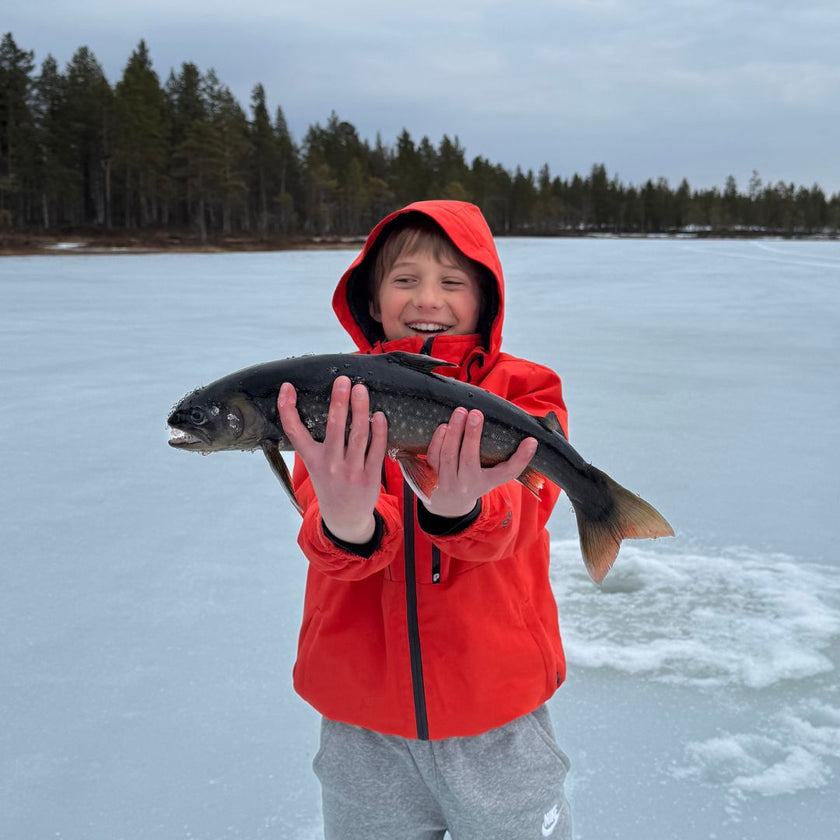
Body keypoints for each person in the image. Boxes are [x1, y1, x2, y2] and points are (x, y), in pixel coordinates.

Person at [277, 200, 572, 840]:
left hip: (497, 715)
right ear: (372, 298)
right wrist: (347, 518)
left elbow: (525, 516)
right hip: (362, 726)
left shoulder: (525, 390)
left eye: (452, 281)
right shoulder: (330, 392)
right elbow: (322, 533)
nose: (427, 298)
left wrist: (461, 508)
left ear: (486, 297)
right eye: (405, 280)